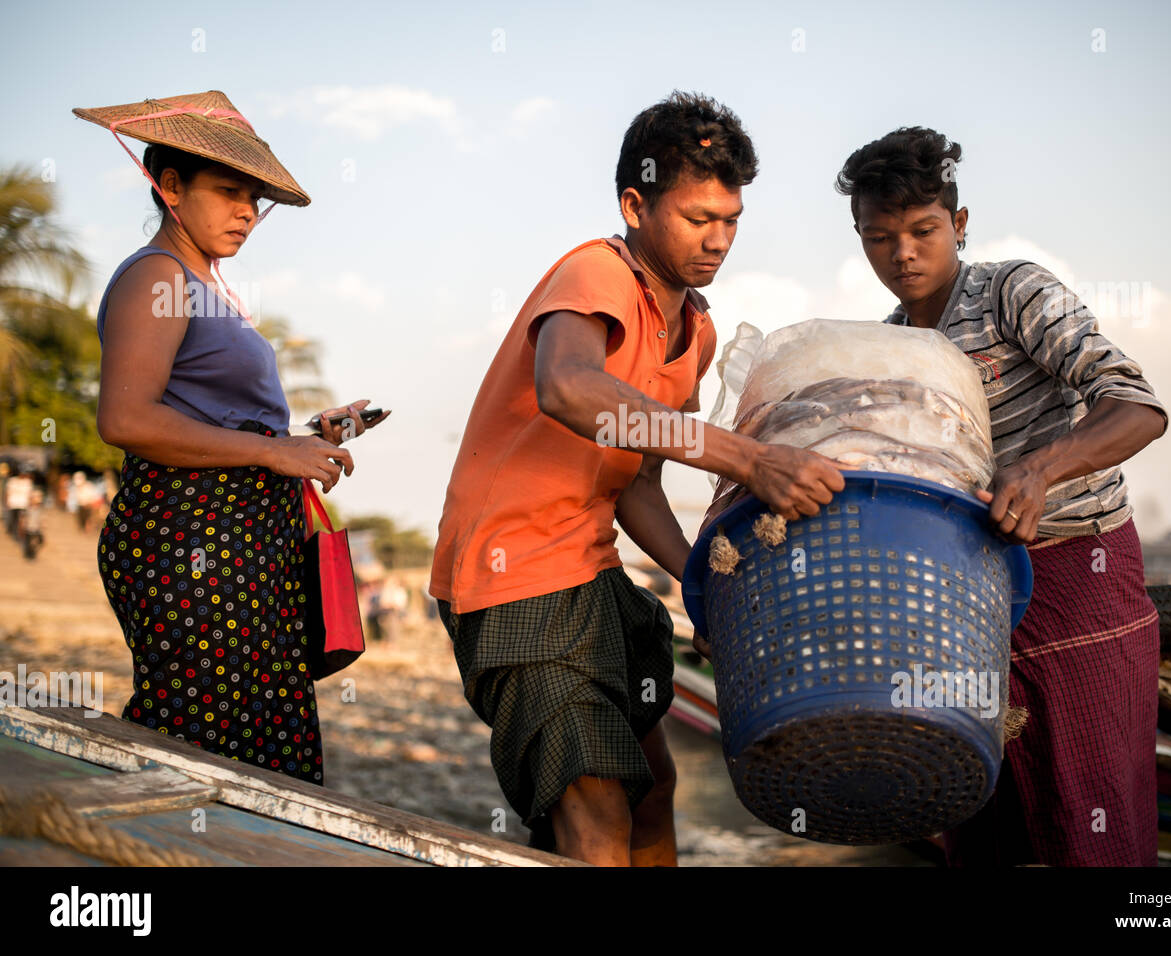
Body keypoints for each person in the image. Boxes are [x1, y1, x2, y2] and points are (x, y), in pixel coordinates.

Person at [430, 91, 845, 865]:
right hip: (515, 577)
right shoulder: (598, 272)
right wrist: (748, 458)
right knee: (596, 808)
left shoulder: (696, 328)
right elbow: (569, 389)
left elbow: (638, 485)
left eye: (731, 221)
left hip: (590, 572)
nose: (718, 240)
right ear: (634, 203)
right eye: (697, 219)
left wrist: (706, 587)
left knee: (654, 788)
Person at [835, 127, 1169, 866]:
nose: (903, 254)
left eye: (923, 231)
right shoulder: (893, 349)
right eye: (879, 237)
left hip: (1076, 577)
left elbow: (1136, 405)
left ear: (958, 224)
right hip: (967, 605)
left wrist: (1041, 468)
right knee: (978, 821)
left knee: (1092, 823)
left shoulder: (1008, 292)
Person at [77, 91, 390, 784]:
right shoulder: (157, 276)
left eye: (254, 198)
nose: (247, 211)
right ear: (168, 187)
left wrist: (310, 435)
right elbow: (125, 420)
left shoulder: (205, 285)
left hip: (244, 542)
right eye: (228, 192)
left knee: (263, 736)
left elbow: (216, 420)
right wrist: (275, 450)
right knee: (203, 737)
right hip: (192, 538)